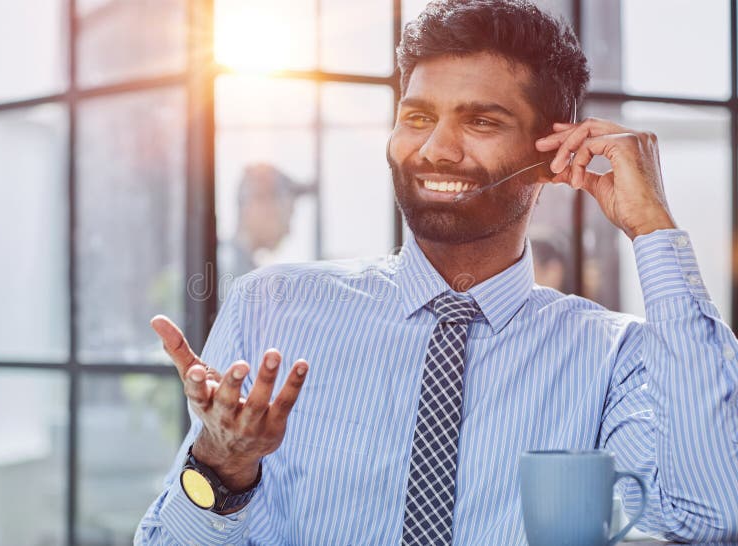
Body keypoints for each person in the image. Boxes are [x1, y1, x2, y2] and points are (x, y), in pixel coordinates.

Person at [135, 1, 738, 544]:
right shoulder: (272, 306)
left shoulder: (612, 358)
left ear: (550, 156)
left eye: (481, 122)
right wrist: (221, 467)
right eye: (418, 116)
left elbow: (707, 514)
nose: (436, 149)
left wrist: (654, 230)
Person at [218, 163, 307, 278]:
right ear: (259, 205)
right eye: (286, 218)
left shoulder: (234, 266)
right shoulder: (228, 268)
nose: (288, 231)